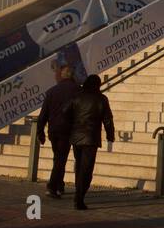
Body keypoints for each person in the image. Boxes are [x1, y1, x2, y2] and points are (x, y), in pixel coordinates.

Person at [58, 74, 114, 210]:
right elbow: (107, 119)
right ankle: (79, 197)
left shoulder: (77, 96)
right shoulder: (101, 99)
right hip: (91, 138)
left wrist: (71, 124)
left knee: (79, 165)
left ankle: (78, 192)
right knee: (87, 169)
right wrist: (110, 135)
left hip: (76, 136)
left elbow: (64, 111)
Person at [37, 63, 81, 199]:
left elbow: (43, 114)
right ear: (72, 75)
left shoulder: (51, 91)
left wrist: (40, 132)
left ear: (61, 75)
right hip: (67, 130)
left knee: (58, 157)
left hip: (53, 130)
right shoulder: (78, 90)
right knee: (60, 159)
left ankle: (59, 185)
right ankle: (52, 186)